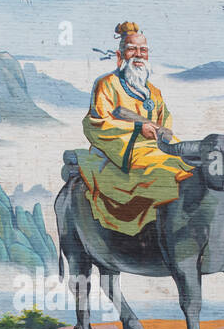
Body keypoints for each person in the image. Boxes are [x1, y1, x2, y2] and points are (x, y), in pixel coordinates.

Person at [76, 21, 193, 236]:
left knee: (188, 166)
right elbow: (98, 124)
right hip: (119, 153)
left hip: (154, 149)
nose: (138, 55)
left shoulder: (154, 92)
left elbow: (164, 122)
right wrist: (138, 129)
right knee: (163, 173)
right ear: (120, 56)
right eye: (132, 49)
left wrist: (162, 136)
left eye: (143, 50)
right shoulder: (107, 84)